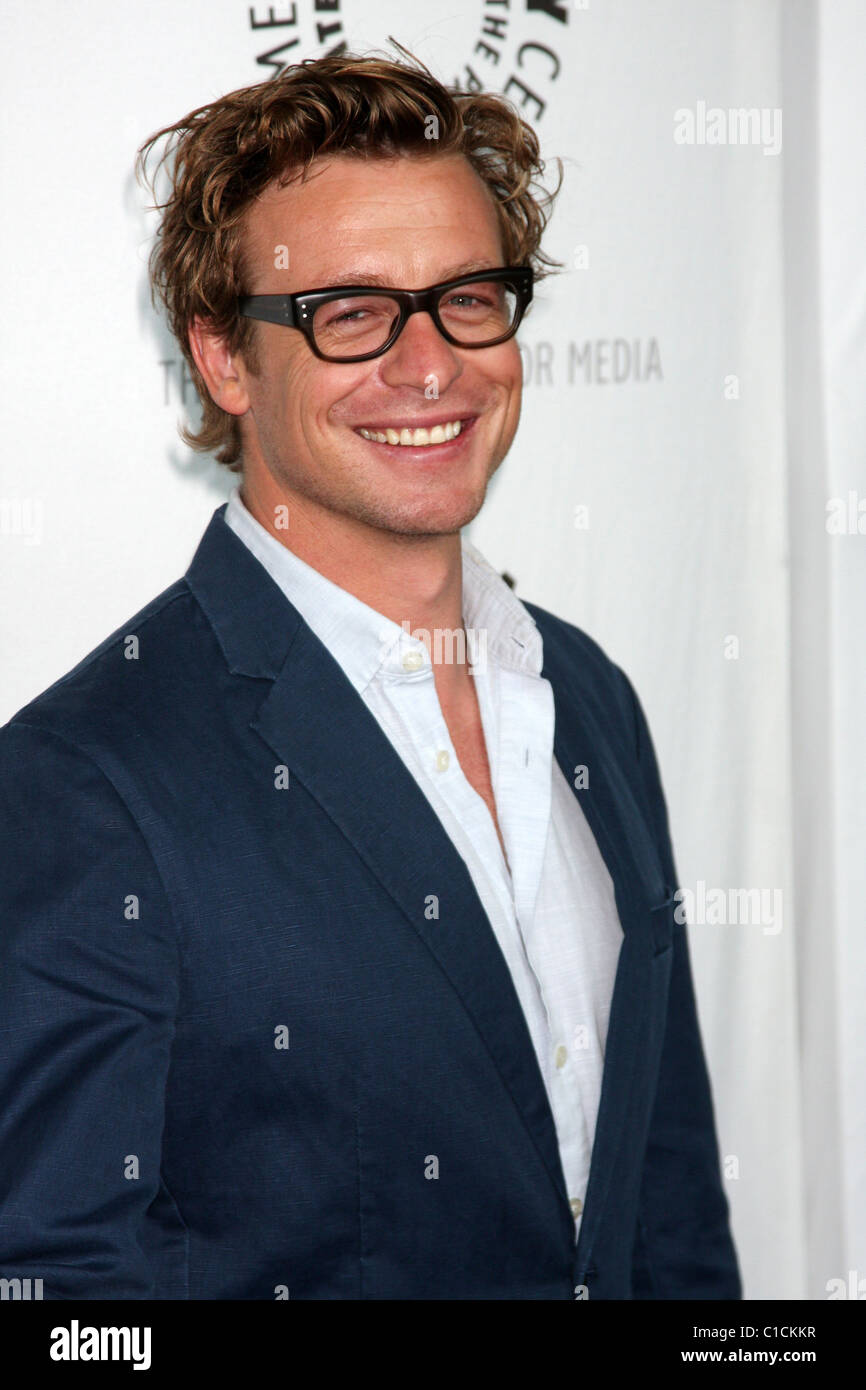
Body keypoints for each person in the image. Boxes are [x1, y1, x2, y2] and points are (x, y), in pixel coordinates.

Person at [0, 47, 740, 1300]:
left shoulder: (589, 698)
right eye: (349, 312)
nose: (431, 364)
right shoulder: (83, 782)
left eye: (467, 296)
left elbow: (662, 1211)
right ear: (225, 359)